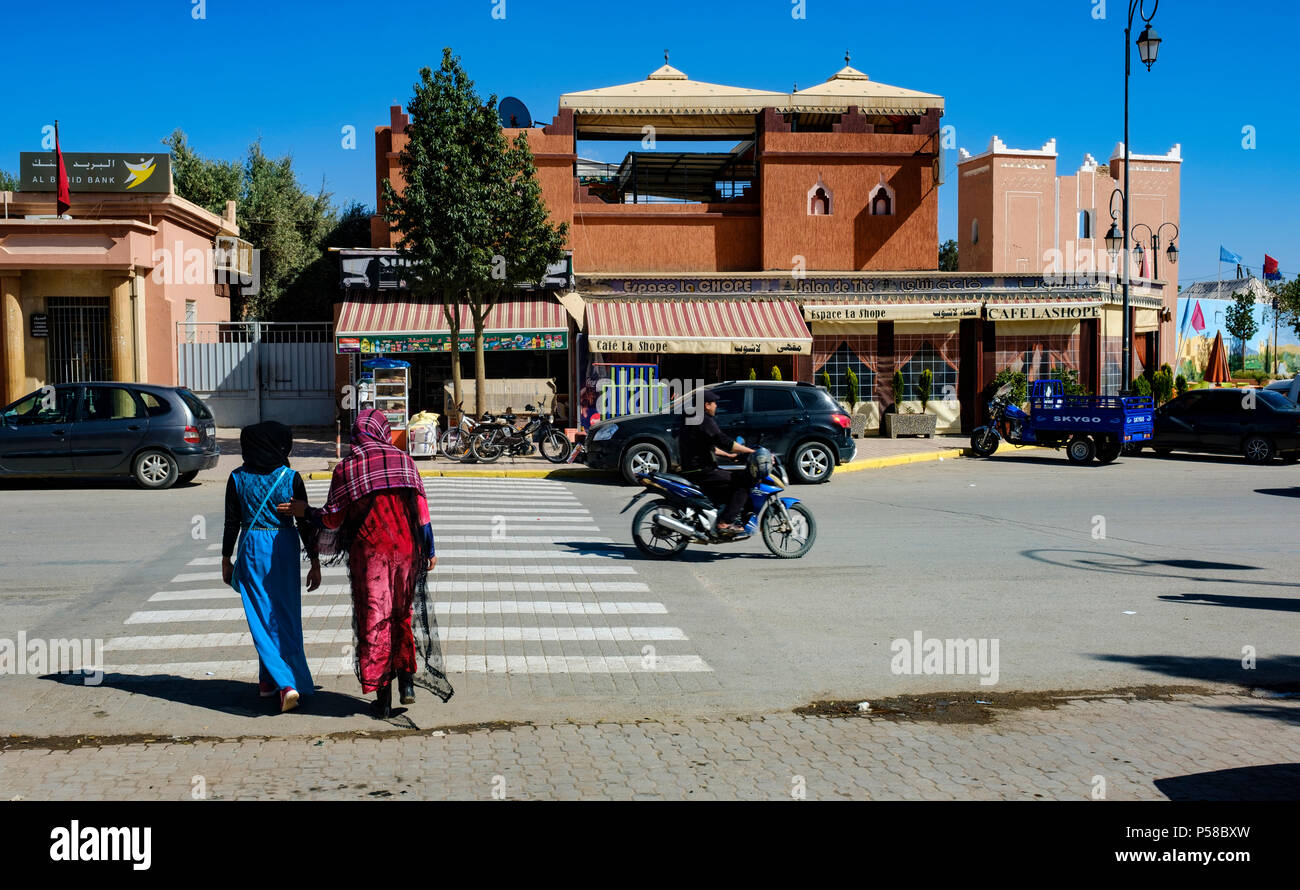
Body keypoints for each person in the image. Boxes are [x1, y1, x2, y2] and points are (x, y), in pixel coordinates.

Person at [279, 409, 452, 716]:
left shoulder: (348, 468)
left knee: (375, 620)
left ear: (357, 433)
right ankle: (407, 683)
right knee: (402, 614)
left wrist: (305, 511)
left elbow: (332, 518)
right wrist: (430, 548)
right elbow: (421, 510)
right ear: (383, 432)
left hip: (371, 555)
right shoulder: (405, 461)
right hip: (407, 551)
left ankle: (383, 699)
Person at [221, 421, 320, 713]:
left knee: (260, 617)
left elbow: (230, 523)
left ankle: (280, 683)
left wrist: (226, 559)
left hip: (251, 547)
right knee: (285, 617)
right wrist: (314, 562)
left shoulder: (237, 478)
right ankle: (276, 682)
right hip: (284, 548)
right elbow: (304, 523)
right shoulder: (291, 478)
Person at [680, 389, 756, 534]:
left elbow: (709, 447)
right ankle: (725, 522)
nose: (716, 405)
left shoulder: (692, 417)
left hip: (694, 467)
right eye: (714, 403)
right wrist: (751, 452)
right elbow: (724, 441)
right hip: (702, 470)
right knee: (743, 483)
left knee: (731, 482)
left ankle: (721, 515)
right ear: (706, 405)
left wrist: (730, 456)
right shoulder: (703, 419)